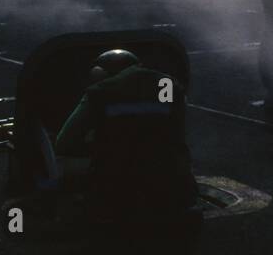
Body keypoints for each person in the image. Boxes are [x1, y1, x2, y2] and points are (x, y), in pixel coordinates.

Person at [55, 48, 197, 225]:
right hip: (176, 189)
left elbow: (64, 142)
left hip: (118, 196)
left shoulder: (99, 92)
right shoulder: (169, 85)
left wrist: (97, 145)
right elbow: (175, 129)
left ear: (101, 73)